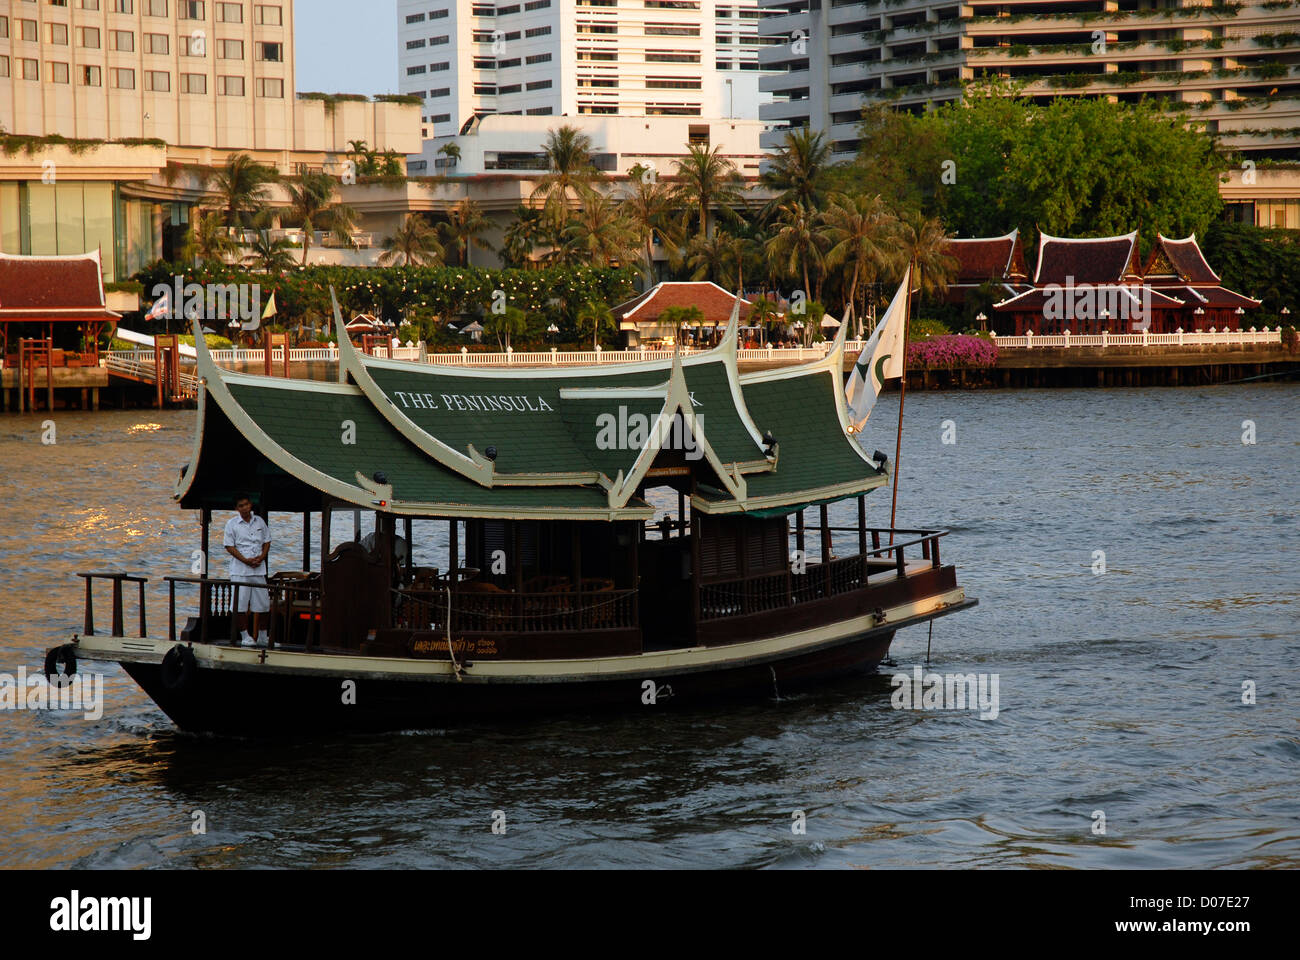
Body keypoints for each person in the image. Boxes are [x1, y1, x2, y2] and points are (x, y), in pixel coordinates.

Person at [223, 493, 271, 647]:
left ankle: (263, 636)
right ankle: (245, 636)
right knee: (239, 604)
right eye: (241, 505)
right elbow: (229, 546)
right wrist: (245, 560)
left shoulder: (260, 522)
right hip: (240, 570)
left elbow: (267, 541)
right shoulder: (232, 524)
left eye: (246, 504)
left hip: (258, 569)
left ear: (250, 505)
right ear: (236, 508)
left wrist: (261, 557)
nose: (245, 507)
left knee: (263, 604)